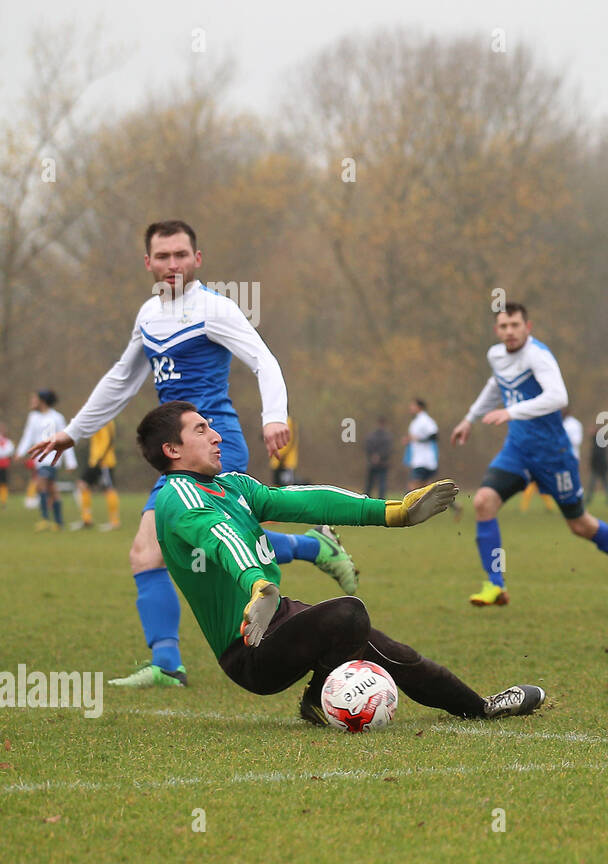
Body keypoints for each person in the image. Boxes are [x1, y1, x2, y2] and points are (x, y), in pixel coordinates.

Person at [24, 220, 359, 689]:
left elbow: (264, 359)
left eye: (181, 254)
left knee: (179, 548)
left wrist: (274, 416)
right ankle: (310, 549)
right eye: (162, 256)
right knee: (160, 552)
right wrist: (73, 433)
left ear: (197, 259)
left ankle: (169, 662)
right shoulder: (148, 315)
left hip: (212, 445)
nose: (172, 264)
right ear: (148, 263)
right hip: (175, 451)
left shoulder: (213, 309)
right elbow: (122, 380)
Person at [137, 401, 544, 724]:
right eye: (201, 430)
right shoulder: (179, 497)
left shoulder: (232, 485)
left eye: (211, 426)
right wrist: (257, 585)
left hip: (281, 617)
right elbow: (222, 539)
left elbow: (306, 499)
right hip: (249, 648)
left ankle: (480, 708)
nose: (216, 436)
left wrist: (391, 512)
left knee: (390, 652)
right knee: (348, 614)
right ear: (172, 450)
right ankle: (318, 701)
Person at [450, 302, 608, 606]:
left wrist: (510, 412)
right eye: (503, 326)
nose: (510, 331)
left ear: (528, 327)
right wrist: (469, 418)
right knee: (484, 502)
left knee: (579, 525)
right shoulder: (496, 355)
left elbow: (558, 397)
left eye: (515, 325)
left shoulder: (538, 356)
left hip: (553, 455)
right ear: (496, 330)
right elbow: (495, 384)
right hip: (517, 451)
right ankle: (495, 584)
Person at [19, 390, 77, 531]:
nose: (32, 401)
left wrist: (71, 461)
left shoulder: (57, 417)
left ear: (42, 401)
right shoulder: (33, 417)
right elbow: (28, 435)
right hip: (39, 459)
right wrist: (20, 452)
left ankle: (45, 519)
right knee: (52, 489)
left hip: (51, 459)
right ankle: (58, 523)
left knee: (41, 484)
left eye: (34, 399)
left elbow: (66, 438)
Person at [73, 421, 122, 531]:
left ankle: (114, 522)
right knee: (83, 485)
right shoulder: (100, 418)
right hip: (95, 461)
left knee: (109, 489)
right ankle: (86, 519)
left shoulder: (106, 420)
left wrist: (100, 459)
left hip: (104, 462)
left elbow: (108, 441)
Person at [365, 416, 394, 499]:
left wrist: (373, 456)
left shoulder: (371, 435)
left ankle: (366, 499)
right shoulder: (388, 436)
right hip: (383, 463)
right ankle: (381, 500)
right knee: (382, 484)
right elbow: (388, 450)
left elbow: (367, 447)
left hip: (372, 463)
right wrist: (380, 456)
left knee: (370, 484)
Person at [269, 415, 298, 487]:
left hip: (285, 464)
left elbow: (287, 444)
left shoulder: (286, 422)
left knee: (284, 489)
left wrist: (280, 457)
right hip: (279, 463)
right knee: (277, 490)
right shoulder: (278, 422)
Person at [0, 423, 13, 509]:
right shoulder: (6, 441)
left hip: (3, 465)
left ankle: (3, 502)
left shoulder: (7, 441)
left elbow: (9, 450)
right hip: (3, 463)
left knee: (3, 484)